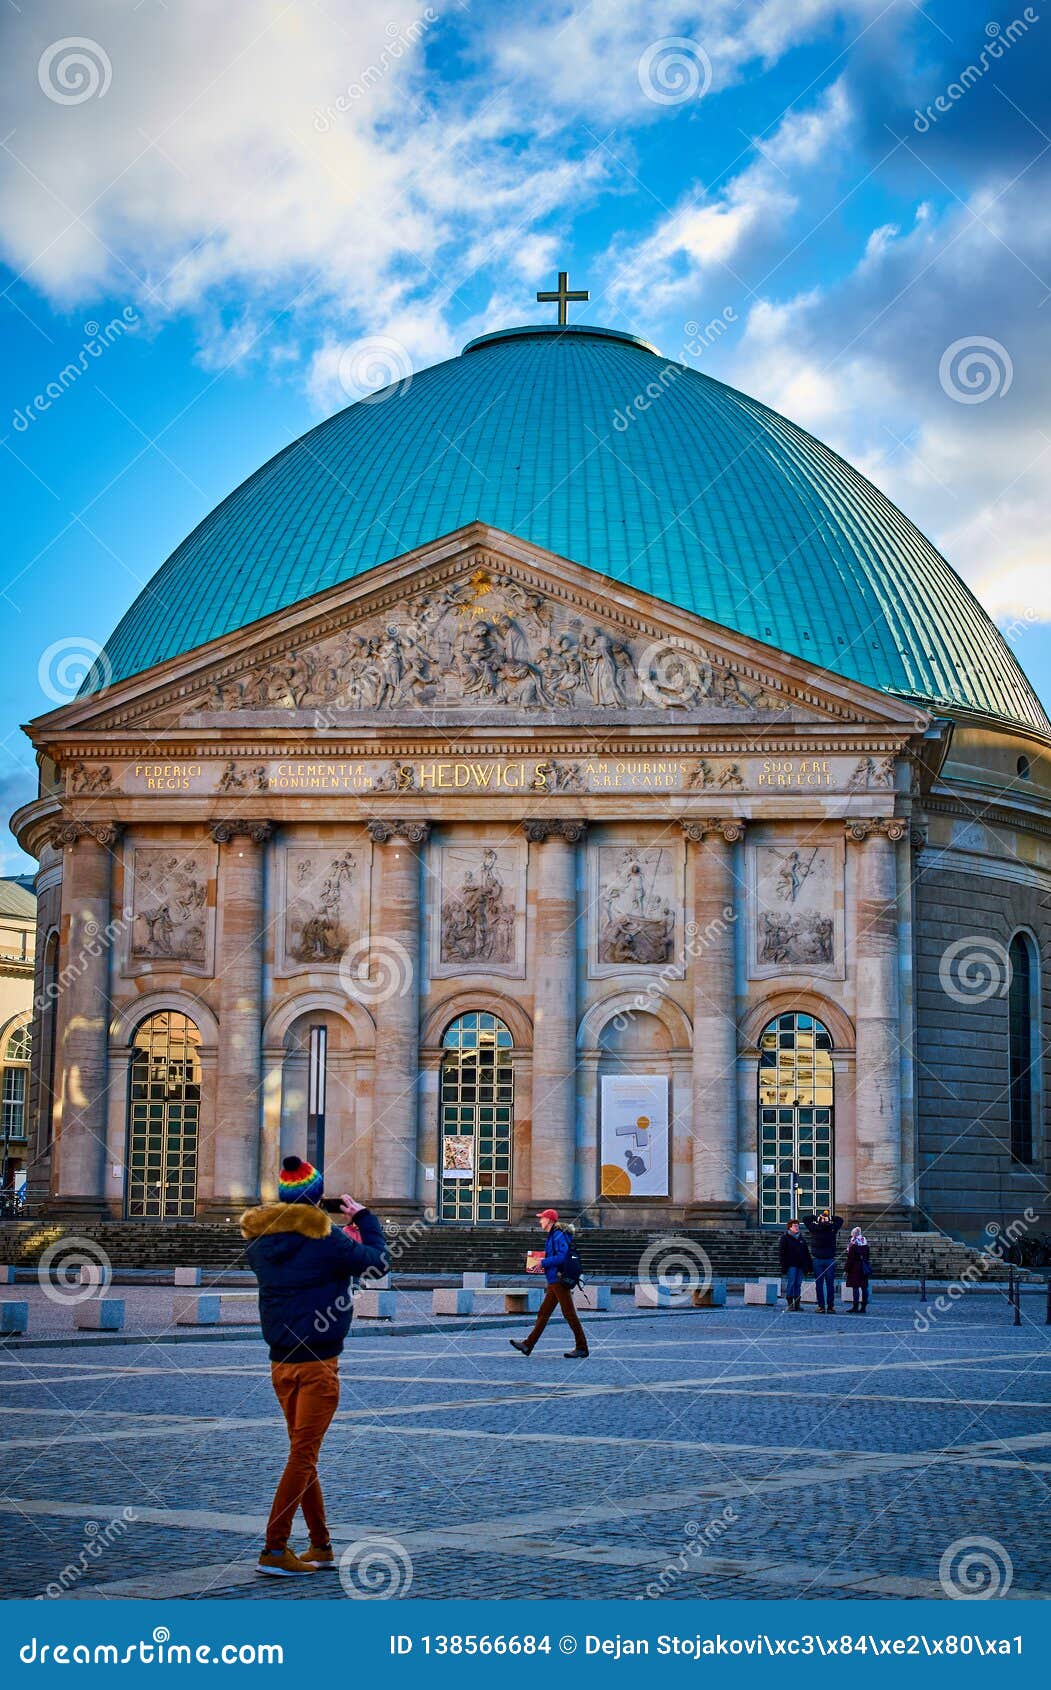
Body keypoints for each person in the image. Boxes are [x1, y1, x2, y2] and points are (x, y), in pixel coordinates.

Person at [241, 1155, 388, 1577]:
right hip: (319, 1364)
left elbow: (317, 1258)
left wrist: (344, 1242)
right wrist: (366, 1219)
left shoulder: (259, 1243)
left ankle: (321, 1545)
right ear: (318, 1198)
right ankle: (274, 1549)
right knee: (302, 1457)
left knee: (301, 1456)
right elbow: (378, 1263)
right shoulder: (328, 1241)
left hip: (280, 1364)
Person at [509, 1208, 589, 1359]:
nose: (540, 1221)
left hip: (559, 1280)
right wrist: (538, 1260)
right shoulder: (553, 1235)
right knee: (544, 1313)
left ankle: (582, 1347)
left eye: (542, 1218)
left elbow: (562, 1256)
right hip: (553, 1280)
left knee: (569, 1314)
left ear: (550, 1220)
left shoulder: (559, 1235)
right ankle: (528, 1345)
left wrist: (543, 1262)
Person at [803, 1208, 843, 1313]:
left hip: (818, 1260)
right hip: (830, 1259)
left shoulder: (815, 1228)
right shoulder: (832, 1228)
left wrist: (817, 1217)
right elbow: (840, 1220)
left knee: (819, 1285)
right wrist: (829, 1218)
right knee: (830, 1284)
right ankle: (830, 1307)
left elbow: (806, 1219)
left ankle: (821, 1306)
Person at [778, 1218, 812, 1310]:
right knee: (791, 1283)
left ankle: (797, 1305)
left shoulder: (801, 1238)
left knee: (798, 1284)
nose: (797, 1227)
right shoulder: (785, 1238)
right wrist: (783, 1266)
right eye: (795, 1226)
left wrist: (808, 1266)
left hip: (800, 1265)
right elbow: (782, 1253)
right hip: (791, 1265)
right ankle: (790, 1304)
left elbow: (806, 1253)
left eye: (798, 1226)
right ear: (790, 1227)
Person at [845, 1225, 871, 1313]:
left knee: (855, 1288)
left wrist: (846, 1270)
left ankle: (855, 1306)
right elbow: (867, 1257)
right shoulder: (865, 1245)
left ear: (854, 1235)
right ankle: (863, 1307)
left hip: (854, 1269)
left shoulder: (853, 1245)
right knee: (864, 1288)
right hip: (864, 1269)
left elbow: (850, 1259)